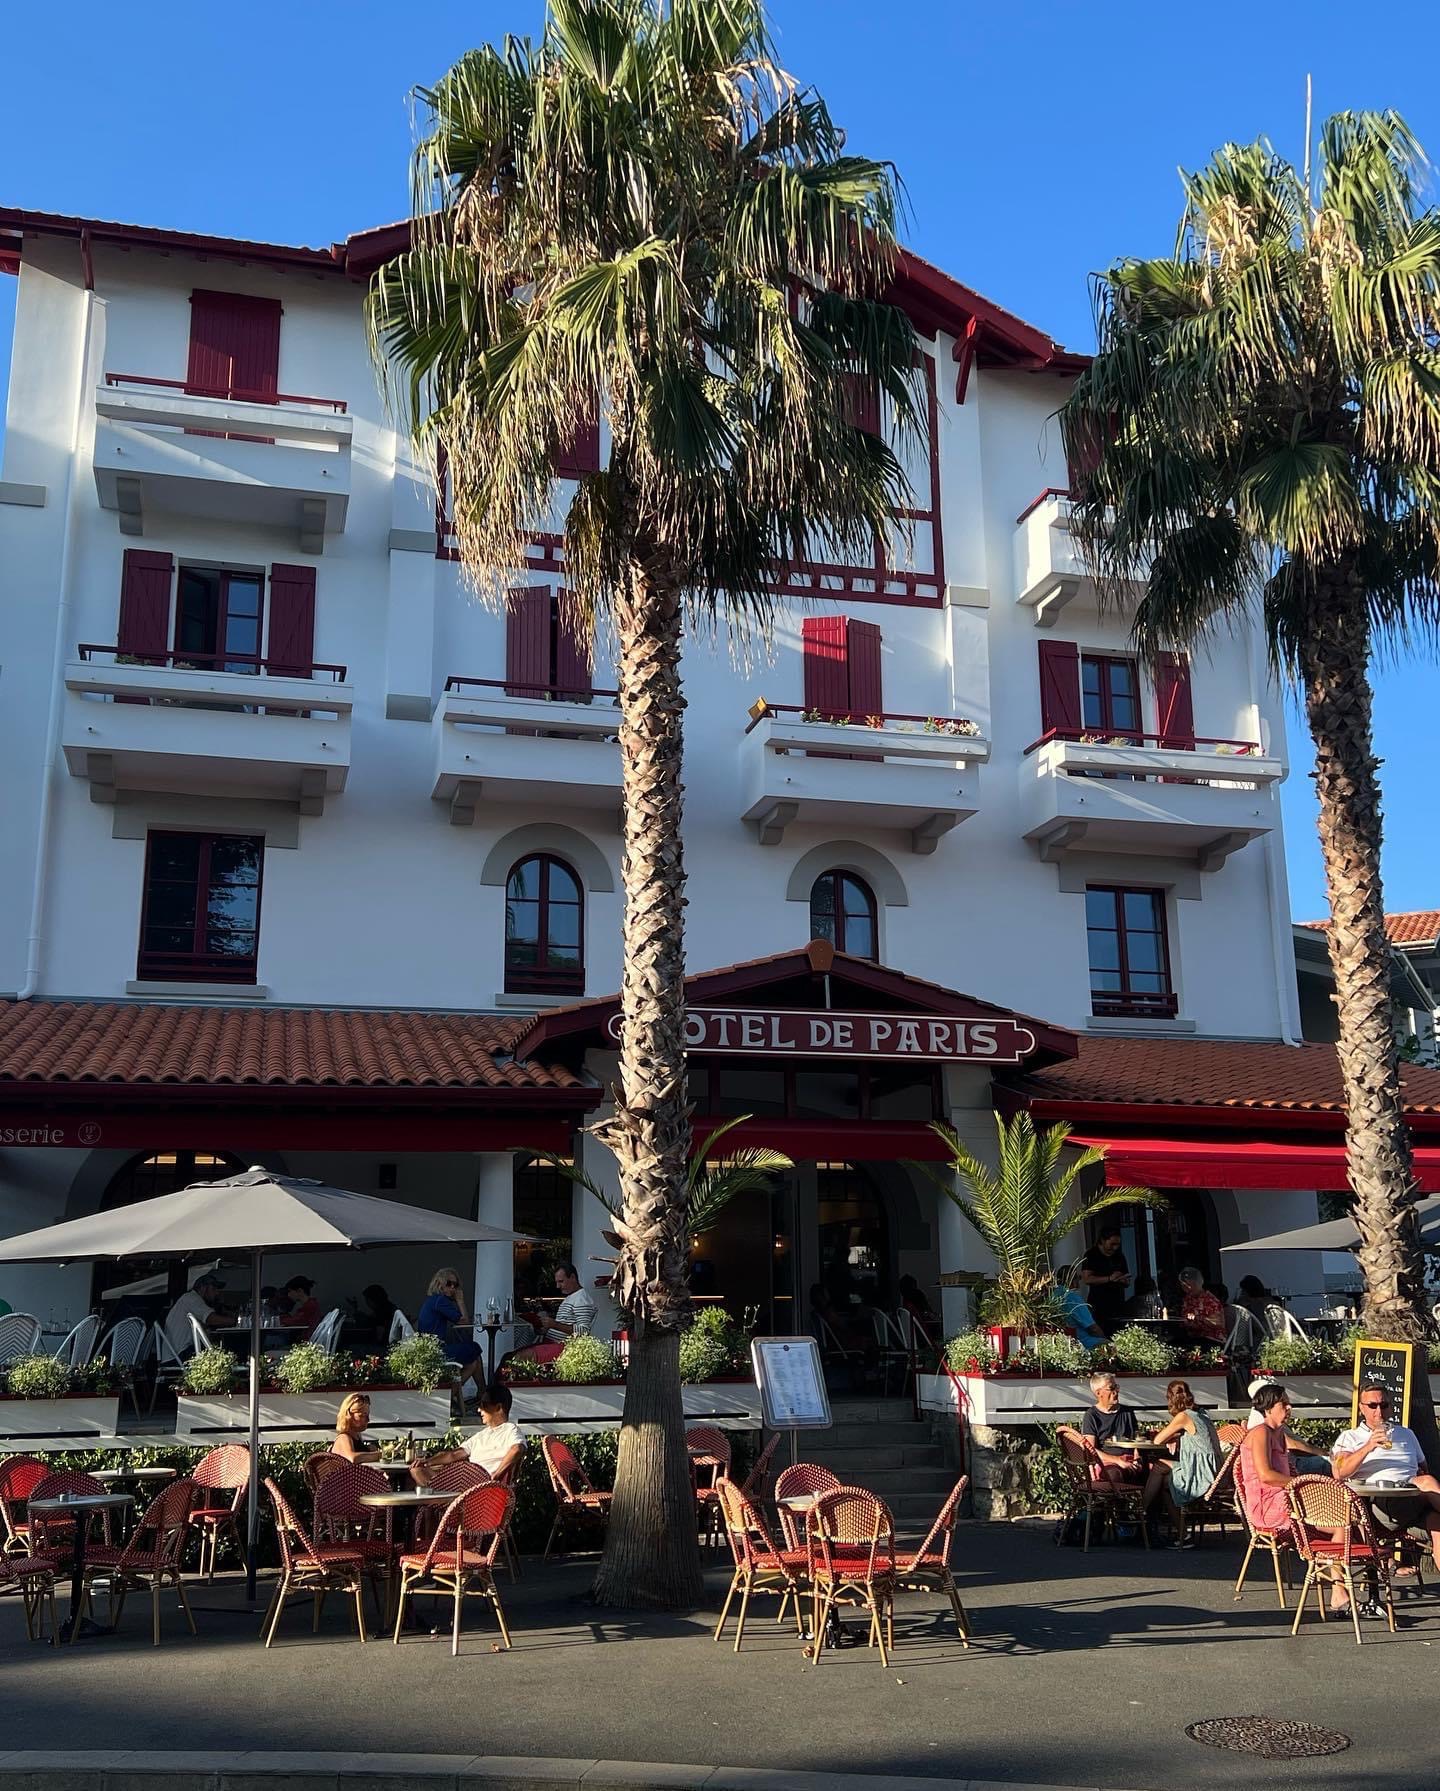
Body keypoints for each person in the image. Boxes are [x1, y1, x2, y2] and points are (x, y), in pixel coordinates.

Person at [1331, 1382, 1440, 1581]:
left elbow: (1422, 1468)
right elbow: (1339, 1472)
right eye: (1372, 1406)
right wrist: (1369, 1446)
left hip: (1410, 1502)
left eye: (1384, 1405)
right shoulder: (1350, 1437)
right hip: (1374, 1507)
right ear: (1361, 1408)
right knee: (1427, 1482)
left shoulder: (1406, 1434)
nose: (1379, 1411)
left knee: (1436, 1517)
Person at [1146, 1378, 1224, 1546]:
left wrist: (1171, 1434)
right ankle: (1182, 1535)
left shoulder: (1183, 1416)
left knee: (1159, 1466)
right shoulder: (1201, 1413)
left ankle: (1141, 1512)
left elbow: (1158, 1440)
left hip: (1201, 1472)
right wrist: (1177, 1435)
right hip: (1215, 1470)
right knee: (1167, 1483)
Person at [412, 1382, 526, 1485]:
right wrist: (427, 1462)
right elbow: (454, 1454)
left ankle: (444, 1503)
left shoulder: (510, 1430)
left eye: (484, 1405)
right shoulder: (482, 1435)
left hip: (482, 1487)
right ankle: (446, 1503)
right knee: (417, 1470)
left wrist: (495, 1475)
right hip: (467, 1483)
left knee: (421, 1479)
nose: (479, 1410)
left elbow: (517, 1449)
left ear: (499, 1408)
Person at [1244, 1378, 1331, 1476]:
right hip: (1288, 1471)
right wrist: (1323, 1453)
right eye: (1284, 1404)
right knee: (1330, 1465)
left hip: (1289, 1470)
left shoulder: (1276, 1427)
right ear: (1267, 1406)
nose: (1289, 1407)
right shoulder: (1261, 1430)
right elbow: (1266, 1476)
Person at [418, 1267, 484, 1384]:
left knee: (473, 1357)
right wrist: (460, 1300)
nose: (453, 1287)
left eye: (455, 1284)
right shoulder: (440, 1301)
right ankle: (457, 1393)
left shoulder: (433, 1300)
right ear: (439, 1284)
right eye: (449, 1283)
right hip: (436, 1351)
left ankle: (479, 1393)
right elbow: (464, 1322)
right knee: (475, 1348)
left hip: (429, 1349)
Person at [1078, 1227, 1131, 1335]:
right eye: (1112, 1244)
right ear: (1102, 1240)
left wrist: (1123, 1280)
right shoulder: (1091, 1255)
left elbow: (1127, 1279)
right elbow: (1087, 1279)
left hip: (1118, 1303)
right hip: (1099, 1304)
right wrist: (1109, 1278)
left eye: (1117, 1244)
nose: (1115, 1248)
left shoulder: (1119, 1256)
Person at [164, 1270, 227, 1356]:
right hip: (179, 1354)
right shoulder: (192, 1298)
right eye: (214, 1289)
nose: (217, 1293)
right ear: (202, 1288)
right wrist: (237, 1321)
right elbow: (210, 1319)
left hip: (177, 1353)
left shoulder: (191, 1299)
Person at [331, 1391, 384, 1464]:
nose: (368, 1420)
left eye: (368, 1415)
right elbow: (353, 1458)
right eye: (362, 1415)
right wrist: (381, 1455)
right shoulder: (343, 1437)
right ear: (348, 1415)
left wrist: (369, 1449)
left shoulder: (357, 1436)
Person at [1177, 1266, 1225, 1344]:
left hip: (1211, 1339)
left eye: (1187, 1285)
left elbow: (1217, 1323)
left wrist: (1197, 1321)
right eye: (1183, 1286)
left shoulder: (1210, 1301)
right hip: (1193, 1337)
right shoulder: (1188, 1298)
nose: (1185, 1289)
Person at [358, 1284, 398, 1349]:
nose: (366, 1303)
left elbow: (379, 1335)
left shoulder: (382, 1312)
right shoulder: (388, 1307)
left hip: (384, 1347)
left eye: (367, 1300)